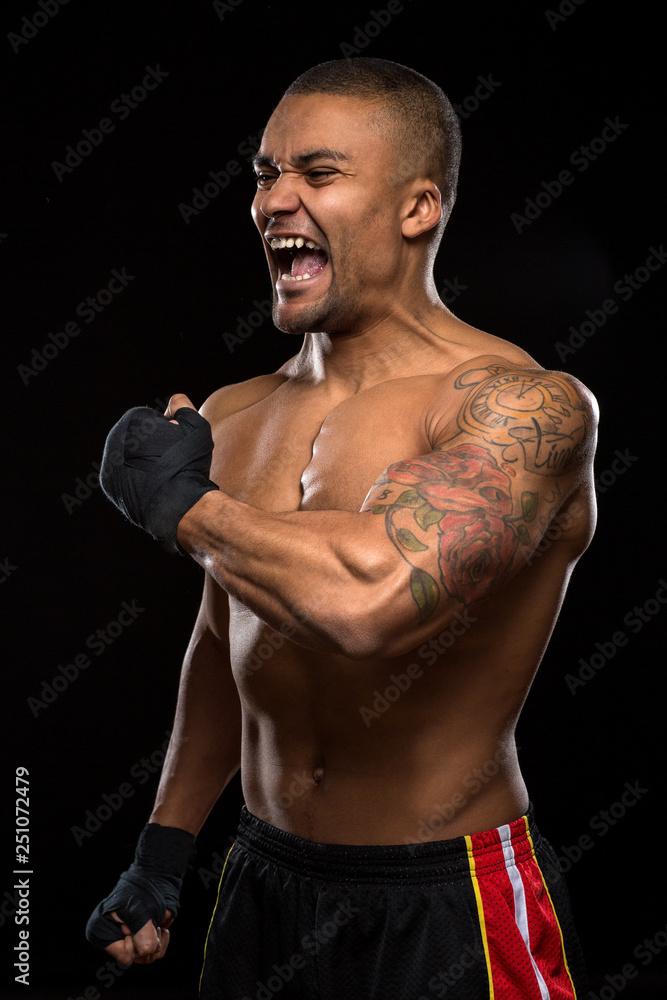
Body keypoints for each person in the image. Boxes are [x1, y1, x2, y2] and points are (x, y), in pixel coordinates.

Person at [87, 58, 597, 998]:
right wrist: (162, 853)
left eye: (316, 175)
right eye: (262, 176)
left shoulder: (521, 408)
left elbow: (370, 604)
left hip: (447, 899)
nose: (272, 202)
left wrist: (182, 506)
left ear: (415, 208)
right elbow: (223, 640)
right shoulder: (234, 414)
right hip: (264, 878)